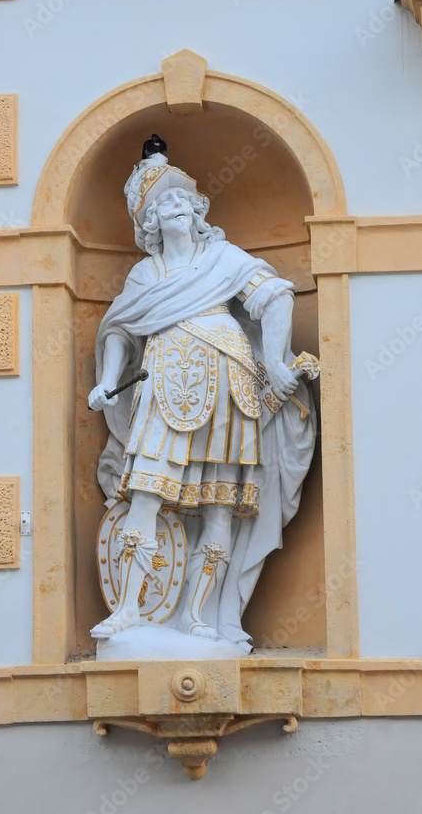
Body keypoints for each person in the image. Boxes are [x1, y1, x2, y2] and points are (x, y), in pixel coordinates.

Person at [88, 138, 316, 650]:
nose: (173, 205)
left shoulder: (224, 258)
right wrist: (107, 380)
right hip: (163, 380)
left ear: (195, 213)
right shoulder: (145, 273)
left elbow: (274, 294)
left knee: (219, 507)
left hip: (228, 386)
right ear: (149, 223)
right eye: (161, 202)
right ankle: (128, 610)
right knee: (143, 494)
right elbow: (120, 329)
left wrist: (276, 361)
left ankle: (199, 617)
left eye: (181, 199)